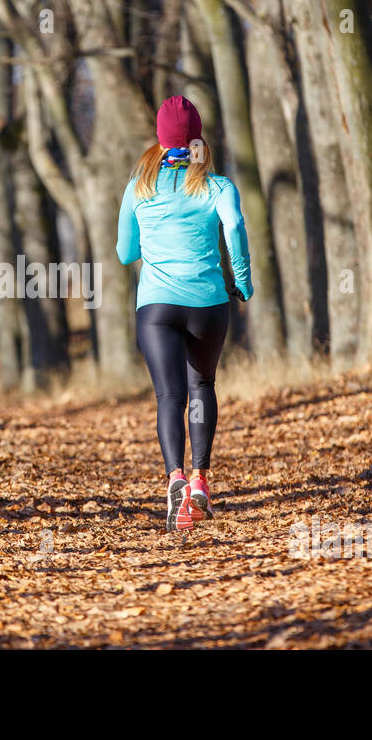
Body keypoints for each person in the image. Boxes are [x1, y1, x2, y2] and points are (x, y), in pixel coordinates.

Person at [115, 95, 253, 532]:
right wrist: (244, 280)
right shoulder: (217, 186)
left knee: (169, 397)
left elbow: (125, 253)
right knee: (202, 386)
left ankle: (173, 475)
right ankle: (199, 481)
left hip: (156, 307)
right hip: (207, 304)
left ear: (159, 138)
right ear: (198, 138)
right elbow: (233, 226)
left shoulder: (137, 187)